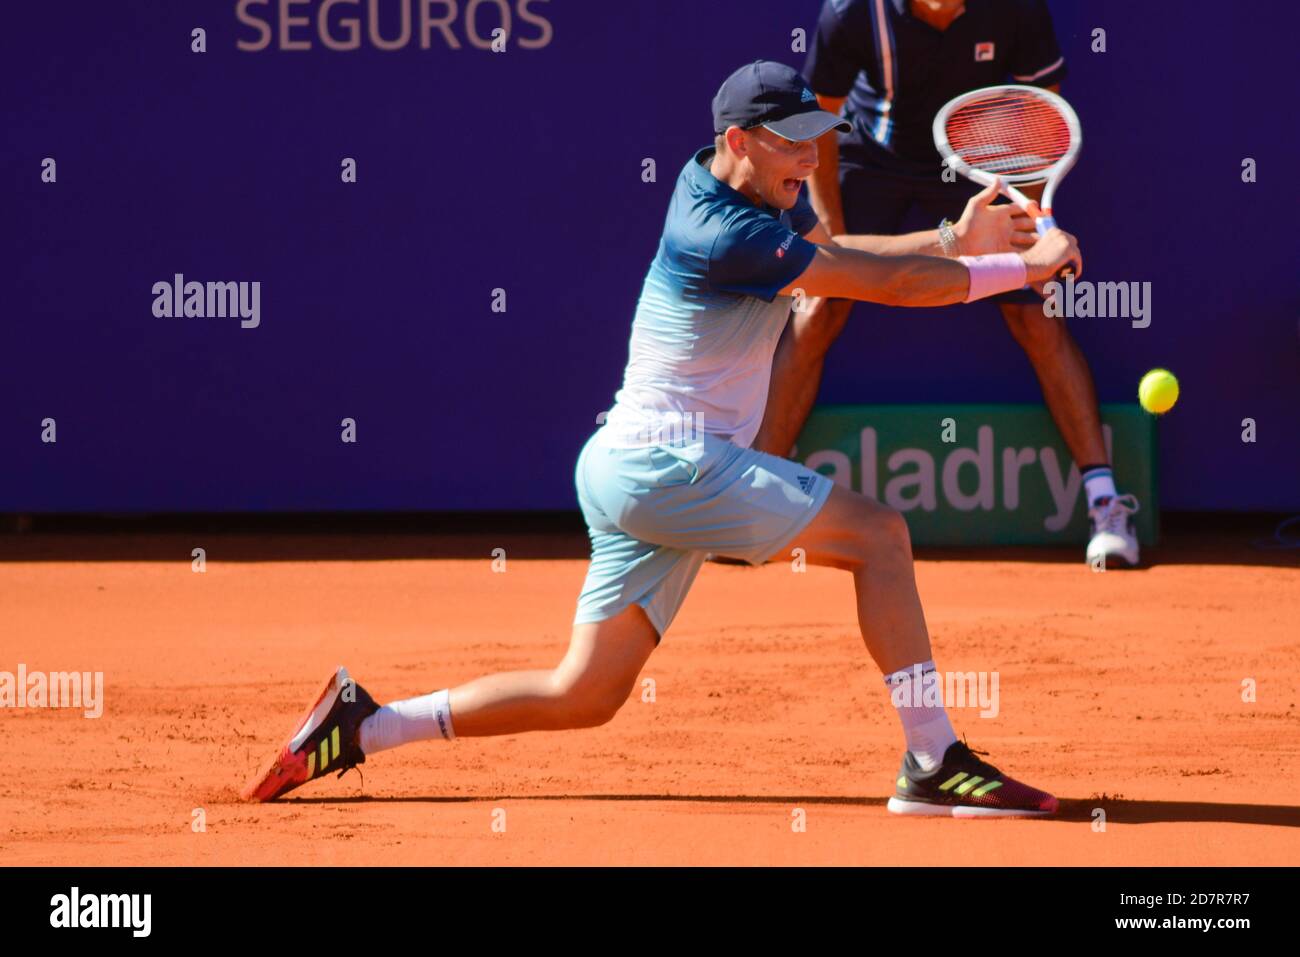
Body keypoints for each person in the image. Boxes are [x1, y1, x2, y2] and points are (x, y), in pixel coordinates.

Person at [243, 61, 1080, 816]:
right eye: (791, 146)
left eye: (816, 141)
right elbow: (877, 283)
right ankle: (934, 758)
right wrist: (1021, 268)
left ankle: (367, 725)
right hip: (670, 464)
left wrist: (948, 240)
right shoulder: (731, 236)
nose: (808, 160)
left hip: (626, 464)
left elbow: (840, 255)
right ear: (738, 141)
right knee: (880, 535)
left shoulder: (714, 185)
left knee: (586, 692)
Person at [754, 0, 1139, 566]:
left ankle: (1106, 502)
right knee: (817, 308)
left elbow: (1042, 116)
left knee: (1035, 315)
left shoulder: (1019, 10)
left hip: (977, 165)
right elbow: (821, 123)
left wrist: (1034, 226)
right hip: (872, 158)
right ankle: (759, 503)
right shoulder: (851, 12)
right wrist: (831, 240)